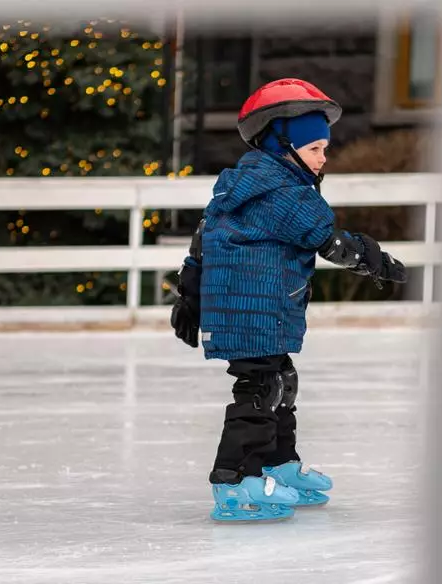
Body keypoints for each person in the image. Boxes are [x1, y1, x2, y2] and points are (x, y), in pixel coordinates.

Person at [170, 78, 407, 522]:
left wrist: (190, 292)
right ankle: (234, 481)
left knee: (280, 384)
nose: (323, 159)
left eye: (324, 148)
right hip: (255, 311)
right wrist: (377, 262)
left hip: (255, 309)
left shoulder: (241, 185)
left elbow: (203, 241)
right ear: (283, 145)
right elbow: (329, 241)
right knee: (261, 390)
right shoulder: (286, 193)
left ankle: (278, 466)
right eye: (315, 149)